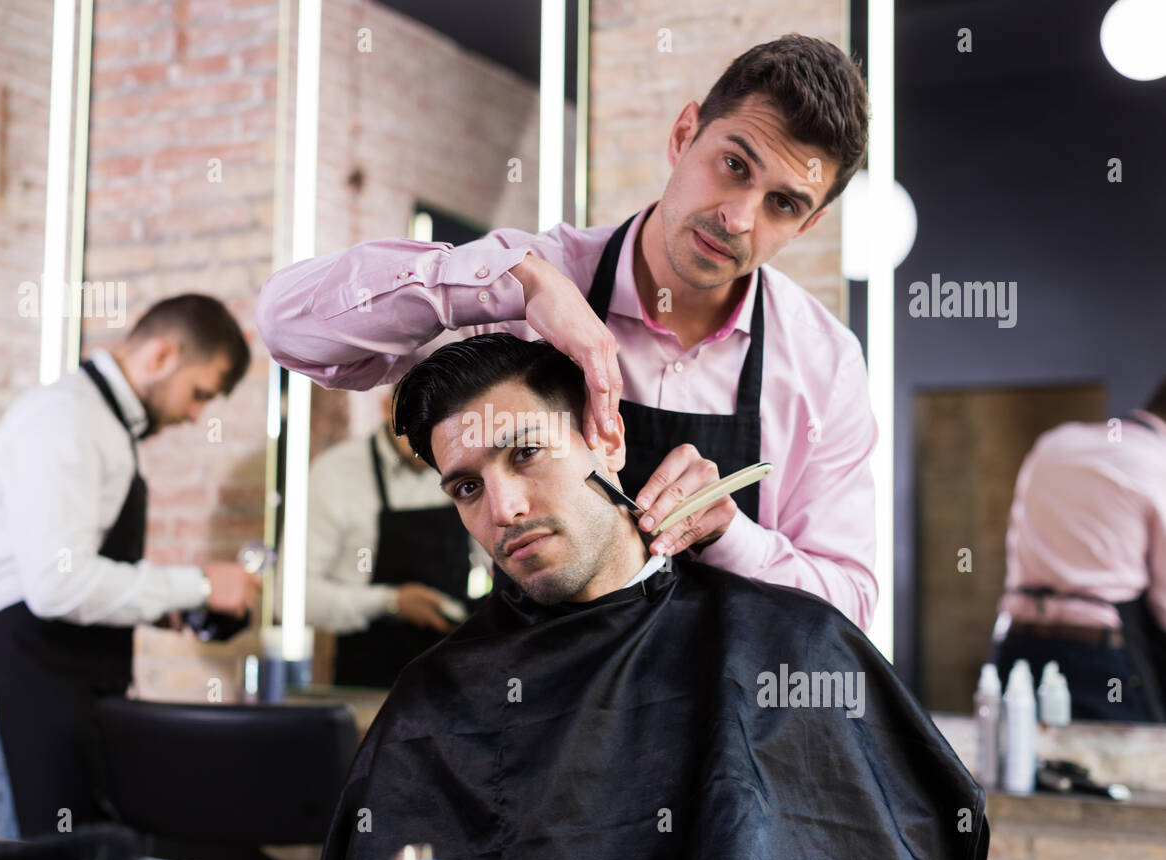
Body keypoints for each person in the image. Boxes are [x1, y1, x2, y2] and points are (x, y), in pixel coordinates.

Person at [256, 34, 879, 631]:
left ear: (810, 224)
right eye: (735, 165)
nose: (739, 217)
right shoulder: (523, 285)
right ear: (684, 134)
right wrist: (519, 284)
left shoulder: (823, 364)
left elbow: (848, 608)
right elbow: (289, 326)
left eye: (784, 203)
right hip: (540, 715)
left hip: (726, 727)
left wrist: (731, 535)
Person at [320, 334, 988, 860]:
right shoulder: (435, 697)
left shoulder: (789, 643)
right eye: (467, 488)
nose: (505, 508)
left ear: (605, 440)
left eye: (526, 452)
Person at [0, 294, 263, 838]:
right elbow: (56, 585)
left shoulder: (107, 429)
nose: (193, 415)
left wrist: (173, 609)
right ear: (162, 356)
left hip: (65, 690)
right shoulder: (65, 416)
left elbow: (78, 575)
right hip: (15, 691)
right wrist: (200, 583)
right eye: (198, 394)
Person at [993, 377, 1166, 723]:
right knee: (1118, 775)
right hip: (1101, 660)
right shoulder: (1157, 463)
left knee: (1011, 769)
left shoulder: (1056, 443)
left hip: (1016, 644)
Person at [307, 389, 490, 687]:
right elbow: (296, 597)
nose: (429, 443)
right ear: (387, 409)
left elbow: (494, 563)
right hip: (370, 678)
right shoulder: (335, 474)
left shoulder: (467, 465)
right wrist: (391, 602)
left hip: (455, 676)